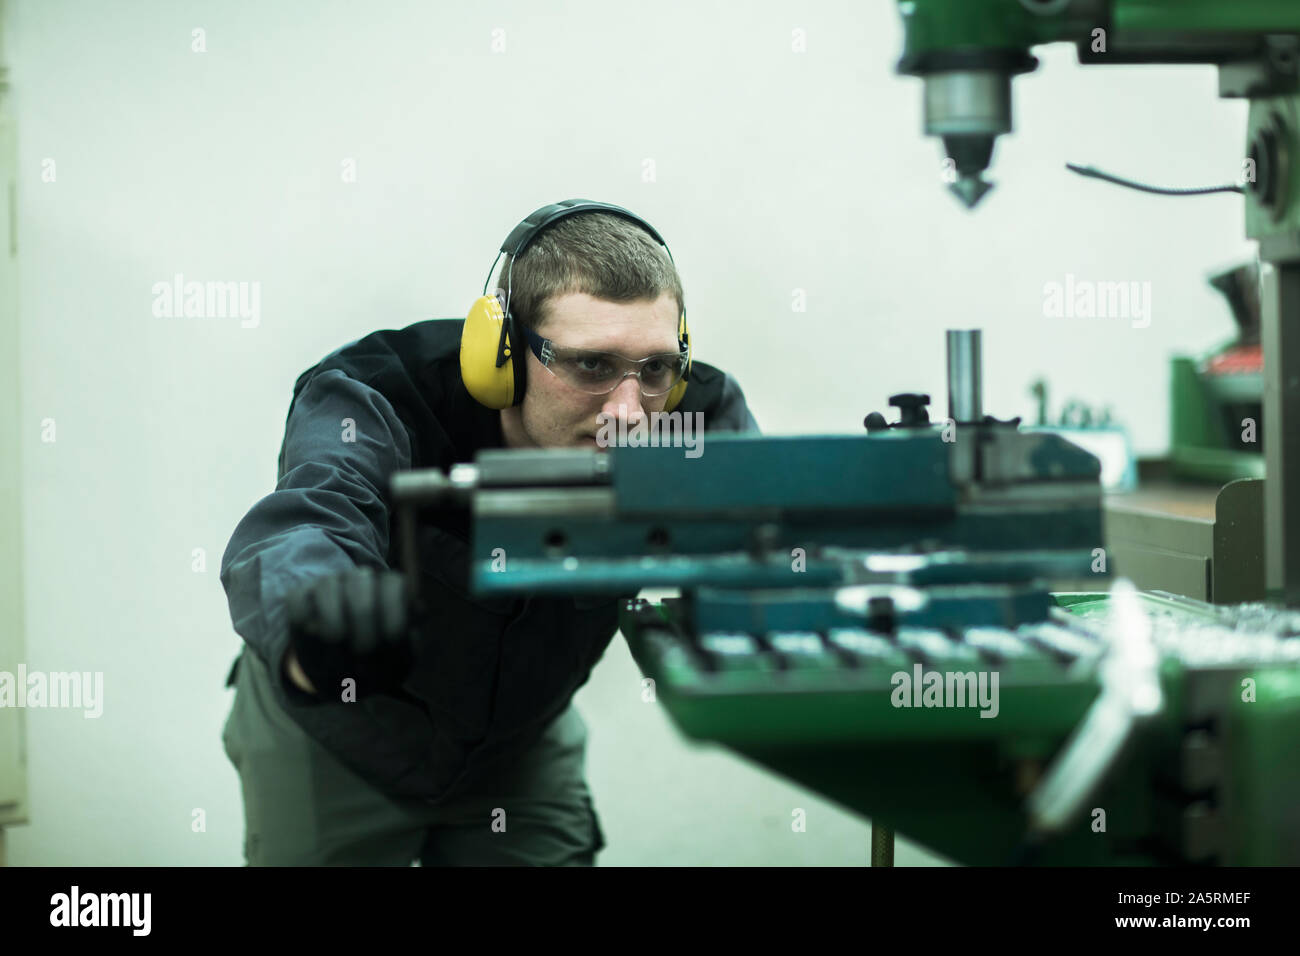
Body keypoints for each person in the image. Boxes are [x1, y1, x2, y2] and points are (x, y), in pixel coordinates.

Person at [219, 199, 760, 865]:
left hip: (518, 745)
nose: (629, 414)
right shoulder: (376, 396)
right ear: (500, 354)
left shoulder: (696, 420)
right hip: (341, 736)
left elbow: (772, 540)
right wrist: (318, 624)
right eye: (590, 365)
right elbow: (307, 520)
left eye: (652, 369)